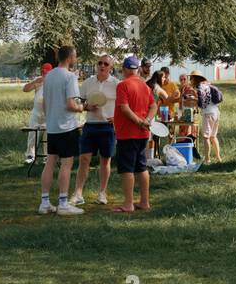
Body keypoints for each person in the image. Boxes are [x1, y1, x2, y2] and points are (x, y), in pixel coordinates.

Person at [38, 46, 84, 216]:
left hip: (52, 127)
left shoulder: (48, 76)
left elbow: (44, 103)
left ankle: (44, 202)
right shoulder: (70, 76)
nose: (76, 59)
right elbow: (71, 104)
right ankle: (63, 203)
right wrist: (82, 108)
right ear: (70, 58)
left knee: (50, 163)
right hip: (67, 127)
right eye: (75, 56)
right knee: (66, 164)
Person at [71, 54, 117, 205]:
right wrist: (86, 107)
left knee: (105, 161)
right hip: (90, 125)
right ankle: (78, 193)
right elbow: (79, 101)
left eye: (106, 64)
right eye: (100, 63)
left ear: (111, 67)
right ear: (96, 65)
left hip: (107, 127)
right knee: (84, 159)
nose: (102, 66)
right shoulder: (88, 82)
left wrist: (116, 118)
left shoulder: (117, 84)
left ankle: (102, 193)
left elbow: (123, 106)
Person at [112, 55, 155, 212]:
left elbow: (124, 107)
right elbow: (154, 106)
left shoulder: (122, 85)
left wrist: (139, 122)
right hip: (142, 134)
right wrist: (147, 121)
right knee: (142, 167)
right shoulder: (145, 86)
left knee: (127, 169)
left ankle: (128, 204)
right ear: (137, 70)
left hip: (127, 133)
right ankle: (144, 202)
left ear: (124, 69)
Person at [22, 61, 53, 164]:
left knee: (48, 136)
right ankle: (30, 156)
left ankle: (47, 157)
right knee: (32, 135)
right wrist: (34, 82)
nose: (45, 75)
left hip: (48, 114)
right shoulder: (38, 82)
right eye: (43, 73)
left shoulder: (54, 82)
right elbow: (25, 89)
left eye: (47, 73)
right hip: (36, 112)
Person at [190, 72, 222, 162]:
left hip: (208, 114)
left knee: (206, 137)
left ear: (195, 79)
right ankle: (218, 158)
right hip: (216, 112)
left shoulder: (199, 87)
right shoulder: (208, 84)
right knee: (213, 136)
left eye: (191, 78)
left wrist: (193, 99)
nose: (190, 81)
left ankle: (207, 159)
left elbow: (202, 104)